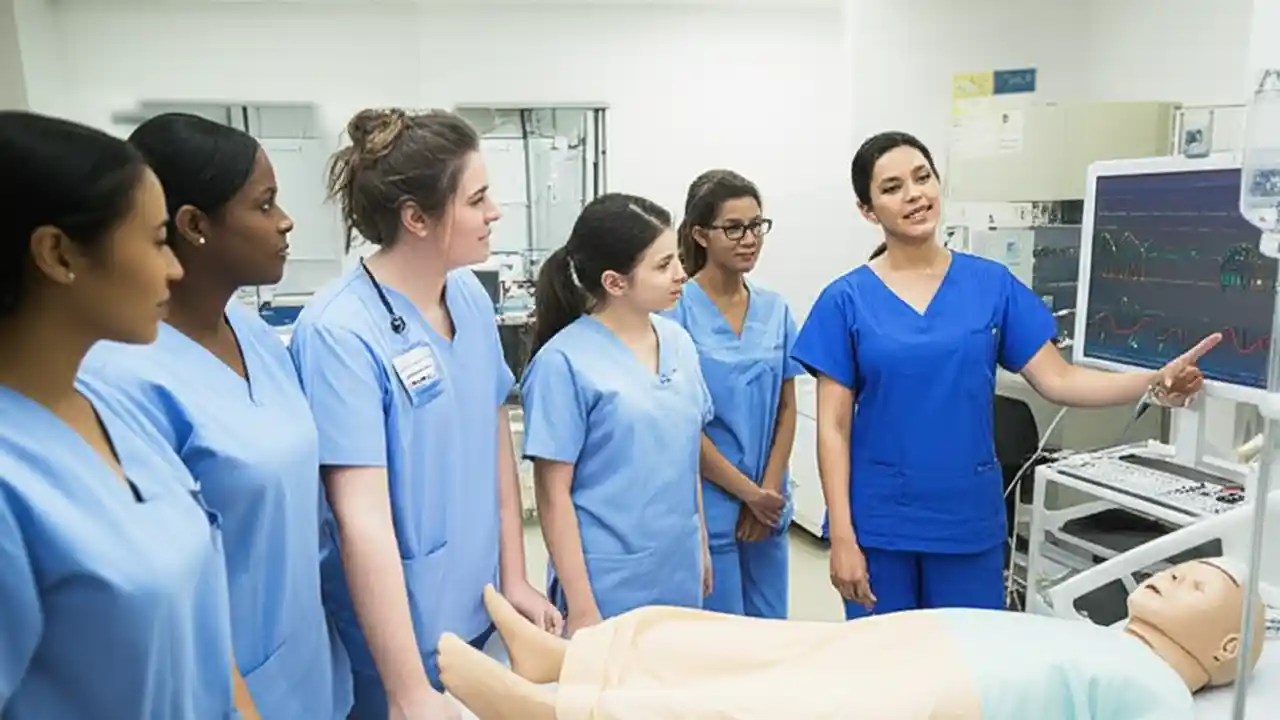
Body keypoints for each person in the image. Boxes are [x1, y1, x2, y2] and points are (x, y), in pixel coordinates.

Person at [791, 131, 1222, 620]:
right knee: (889, 661)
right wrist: (842, 536)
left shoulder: (990, 285)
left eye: (922, 178)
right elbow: (833, 428)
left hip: (967, 521)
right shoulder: (846, 300)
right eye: (892, 188)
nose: (914, 195)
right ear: (868, 210)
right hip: (880, 524)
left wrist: (1153, 381)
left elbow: (1060, 380)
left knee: (973, 656)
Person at [76, 113, 352, 719]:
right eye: (265, 204)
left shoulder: (255, 335)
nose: (285, 221)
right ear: (194, 225)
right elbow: (151, 597)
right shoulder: (120, 382)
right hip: (223, 691)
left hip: (312, 667)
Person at [289, 107, 559, 720]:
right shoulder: (340, 332)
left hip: (478, 608)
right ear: (416, 218)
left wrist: (514, 578)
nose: (495, 213)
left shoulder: (466, 295)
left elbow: (492, 432)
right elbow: (359, 519)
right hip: (398, 642)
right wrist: (406, 689)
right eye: (478, 200)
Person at [0, 111, 244, 718]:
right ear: (58, 254)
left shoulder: (110, 409)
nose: (175, 268)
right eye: (158, 240)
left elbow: (206, 641)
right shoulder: (11, 482)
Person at [436, 557, 1266, 720]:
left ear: (1225, 651)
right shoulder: (1110, 639)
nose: (1170, 576)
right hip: (935, 641)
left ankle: (558, 713)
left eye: (1197, 586)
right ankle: (574, 658)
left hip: (947, 694)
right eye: (1180, 568)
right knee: (755, 648)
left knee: (773, 703)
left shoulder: (1161, 692)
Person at [522, 192, 713, 636]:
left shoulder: (679, 342)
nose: (681, 274)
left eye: (677, 258)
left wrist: (700, 543)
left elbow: (684, 458)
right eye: (663, 265)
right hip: (606, 581)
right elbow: (552, 494)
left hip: (679, 566)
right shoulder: (562, 363)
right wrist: (581, 605)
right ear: (615, 282)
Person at [665, 169, 801, 619]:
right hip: (711, 507)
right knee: (720, 639)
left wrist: (767, 493)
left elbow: (787, 407)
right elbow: (682, 423)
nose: (750, 239)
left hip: (768, 504)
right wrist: (746, 493)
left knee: (771, 632)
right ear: (700, 234)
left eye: (757, 226)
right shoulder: (674, 313)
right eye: (734, 228)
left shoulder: (775, 309)